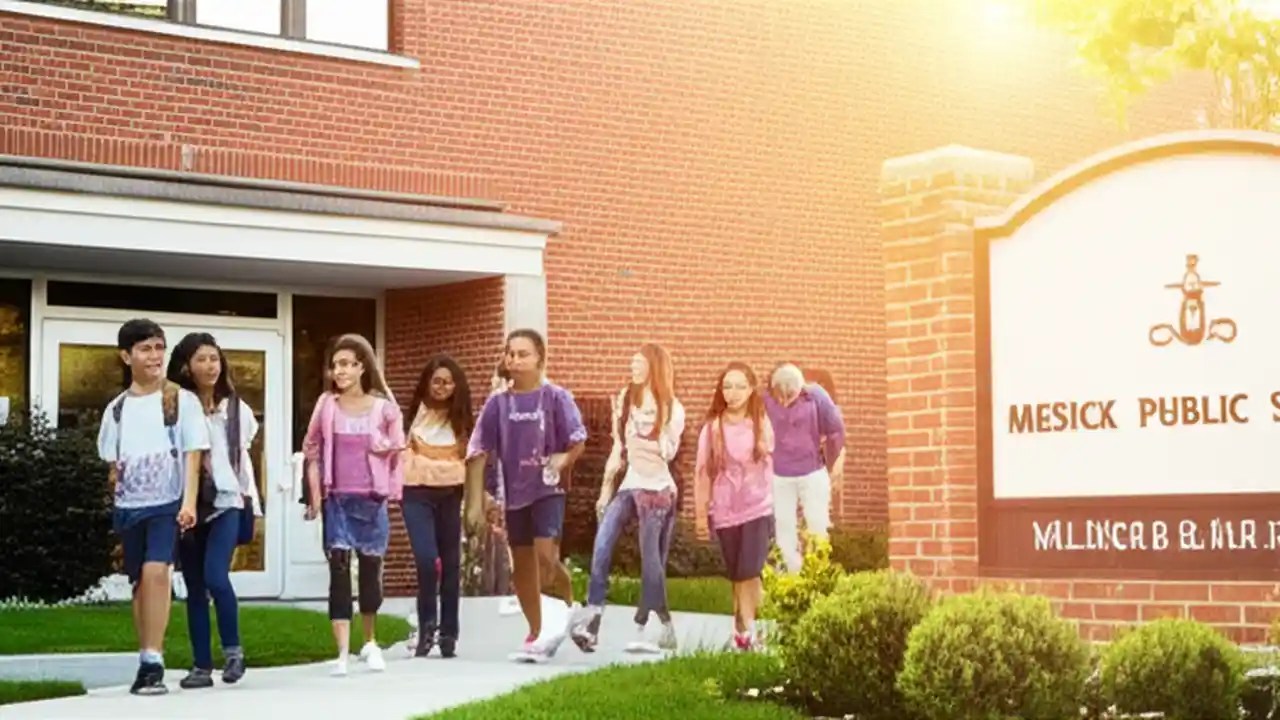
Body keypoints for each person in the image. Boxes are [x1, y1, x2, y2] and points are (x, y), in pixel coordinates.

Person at [97, 318, 210, 695]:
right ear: (126, 356)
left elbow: (193, 454)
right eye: (146, 349)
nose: (155, 356)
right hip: (130, 507)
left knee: (156, 571)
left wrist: (189, 501)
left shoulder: (180, 400)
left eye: (159, 347)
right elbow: (112, 465)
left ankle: (154, 660)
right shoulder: (115, 409)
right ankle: (146, 656)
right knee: (139, 583)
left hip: (167, 503)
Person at [464, 328, 587, 663]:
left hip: (547, 488)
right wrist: (477, 500)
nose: (515, 360)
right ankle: (536, 632)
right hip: (513, 491)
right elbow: (478, 448)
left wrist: (564, 458)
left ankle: (569, 599)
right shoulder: (498, 404)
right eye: (511, 353)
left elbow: (578, 439)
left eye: (523, 354)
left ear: (540, 359)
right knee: (521, 564)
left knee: (545, 558)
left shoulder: (556, 398)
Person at [302, 333, 405, 676]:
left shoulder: (384, 409)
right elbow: (312, 448)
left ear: (363, 367)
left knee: (371, 573)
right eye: (336, 365)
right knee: (339, 570)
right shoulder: (326, 405)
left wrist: (392, 486)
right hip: (338, 501)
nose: (340, 371)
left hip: (372, 501)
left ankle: (371, 642)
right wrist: (316, 496)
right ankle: (342, 652)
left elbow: (398, 451)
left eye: (347, 364)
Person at [570, 343, 684, 654]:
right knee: (602, 545)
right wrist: (606, 490)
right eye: (631, 363)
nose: (632, 368)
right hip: (630, 484)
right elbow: (618, 449)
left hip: (658, 489)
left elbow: (669, 452)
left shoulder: (673, 407)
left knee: (651, 561)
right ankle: (592, 619)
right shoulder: (625, 398)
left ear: (653, 367)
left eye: (638, 363)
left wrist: (655, 422)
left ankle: (652, 625)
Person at [165, 332, 262, 689]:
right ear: (187, 366)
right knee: (193, 587)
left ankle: (233, 652)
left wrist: (252, 502)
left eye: (214, 358)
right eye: (202, 359)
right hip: (187, 505)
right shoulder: (175, 407)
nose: (210, 366)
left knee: (215, 577)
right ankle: (201, 666)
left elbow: (243, 460)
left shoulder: (236, 408)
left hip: (227, 503)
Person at [693, 361, 774, 652]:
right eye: (727, 386)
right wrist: (701, 515)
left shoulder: (762, 422)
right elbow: (702, 473)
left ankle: (750, 629)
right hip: (725, 511)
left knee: (750, 570)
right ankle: (740, 631)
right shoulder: (712, 429)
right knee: (737, 573)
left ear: (752, 389)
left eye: (740, 385)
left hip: (758, 507)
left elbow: (775, 463)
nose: (733, 392)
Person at [400, 354, 472, 658]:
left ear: (456, 386)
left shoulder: (462, 420)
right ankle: (427, 626)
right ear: (427, 383)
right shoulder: (413, 414)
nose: (441, 387)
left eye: (448, 382)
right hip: (416, 492)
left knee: (452, 564)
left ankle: (449, 634)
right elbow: (401, 452)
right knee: (427, 561)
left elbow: (471, 460)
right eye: (436, 381)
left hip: (450, 494)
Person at [763, 363, 845, 573]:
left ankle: (818, 569)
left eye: (790, 395)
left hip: (812, 470)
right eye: (780, 396)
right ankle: (787, 573)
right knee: (783, 525)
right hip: (779, 473)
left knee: (817, 523)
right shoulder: (765, 400)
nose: (785, 401)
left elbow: (835, 430)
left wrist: (833, 461)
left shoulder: (816, 395)